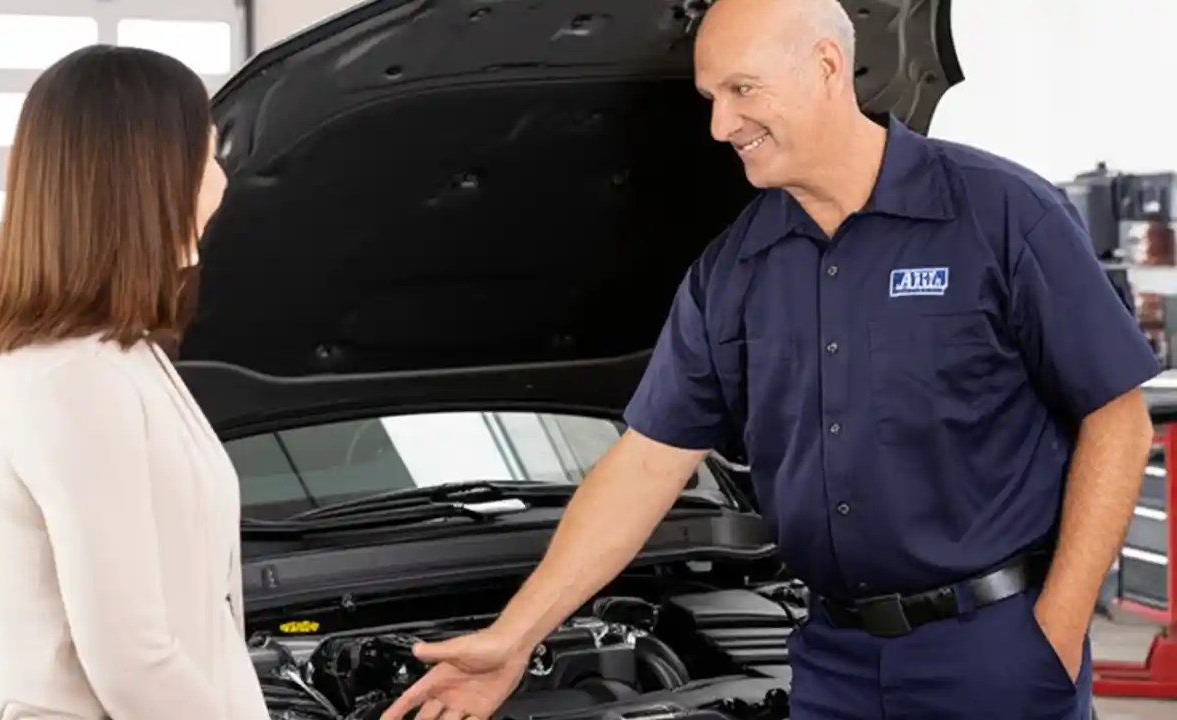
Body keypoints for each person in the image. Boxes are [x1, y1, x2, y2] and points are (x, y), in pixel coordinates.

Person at [379, 0, 1158, 718]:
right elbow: (647, 463)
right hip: (833, 662)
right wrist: (515, 637)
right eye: (711, 97)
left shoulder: (1000, 213)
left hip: (994, 649)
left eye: (743, 90)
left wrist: (1056, 624)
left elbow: (1116, 420)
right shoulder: (735, 269)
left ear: (824, 66)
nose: (721, 125)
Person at [0, 45, 269, 720]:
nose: (221, 179)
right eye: (207, 153)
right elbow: (132, 659)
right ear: (150, 173)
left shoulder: (117, 356)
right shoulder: (73, 379)